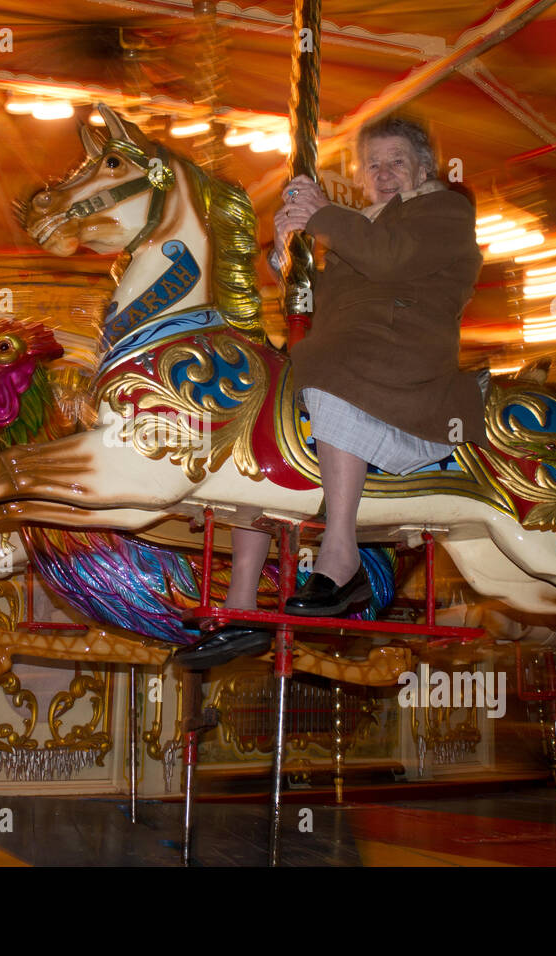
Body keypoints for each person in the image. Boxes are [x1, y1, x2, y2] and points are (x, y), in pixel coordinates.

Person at [174, 115, 485, 670]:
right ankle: (242, 603)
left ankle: (341, 554)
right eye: (374, 165)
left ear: (424, 168)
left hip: (403, 362)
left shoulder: (445, 212)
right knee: (260, 417)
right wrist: (287, 258)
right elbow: (325, 296)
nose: (384, 174)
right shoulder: (364, 227)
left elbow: (392, 260)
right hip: (350, 349)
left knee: (329, 369)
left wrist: (322, 214)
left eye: (396, 161)